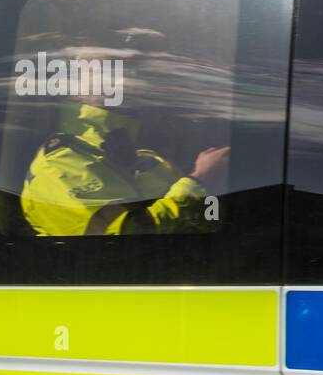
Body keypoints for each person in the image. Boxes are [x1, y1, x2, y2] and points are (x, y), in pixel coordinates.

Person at [21, 35, 230, 236]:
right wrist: (199, 182)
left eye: (131, 70)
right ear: (73, 86)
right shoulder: (57, 165)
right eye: (108, 68)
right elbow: (119, 241)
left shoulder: (143, 156)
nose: (124, 80)